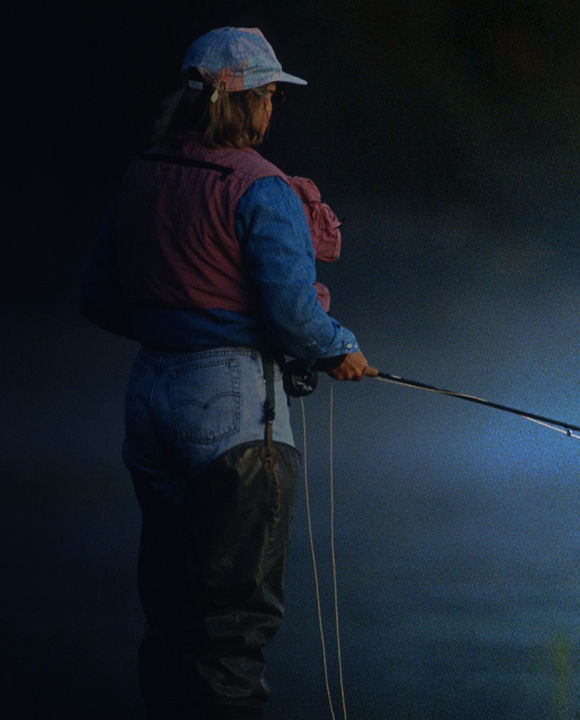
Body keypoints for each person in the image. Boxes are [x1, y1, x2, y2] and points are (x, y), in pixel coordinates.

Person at [80, 27, 370, 720]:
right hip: (235, 409)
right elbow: (295, 318)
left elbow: (98, 297)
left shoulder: (143, 172)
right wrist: (340, 349)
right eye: (267, 94)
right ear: (242, 103)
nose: (272, 109)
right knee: (232, 633)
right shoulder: (261, 189)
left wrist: (176, 328)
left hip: (149, 398)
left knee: (173, 620)